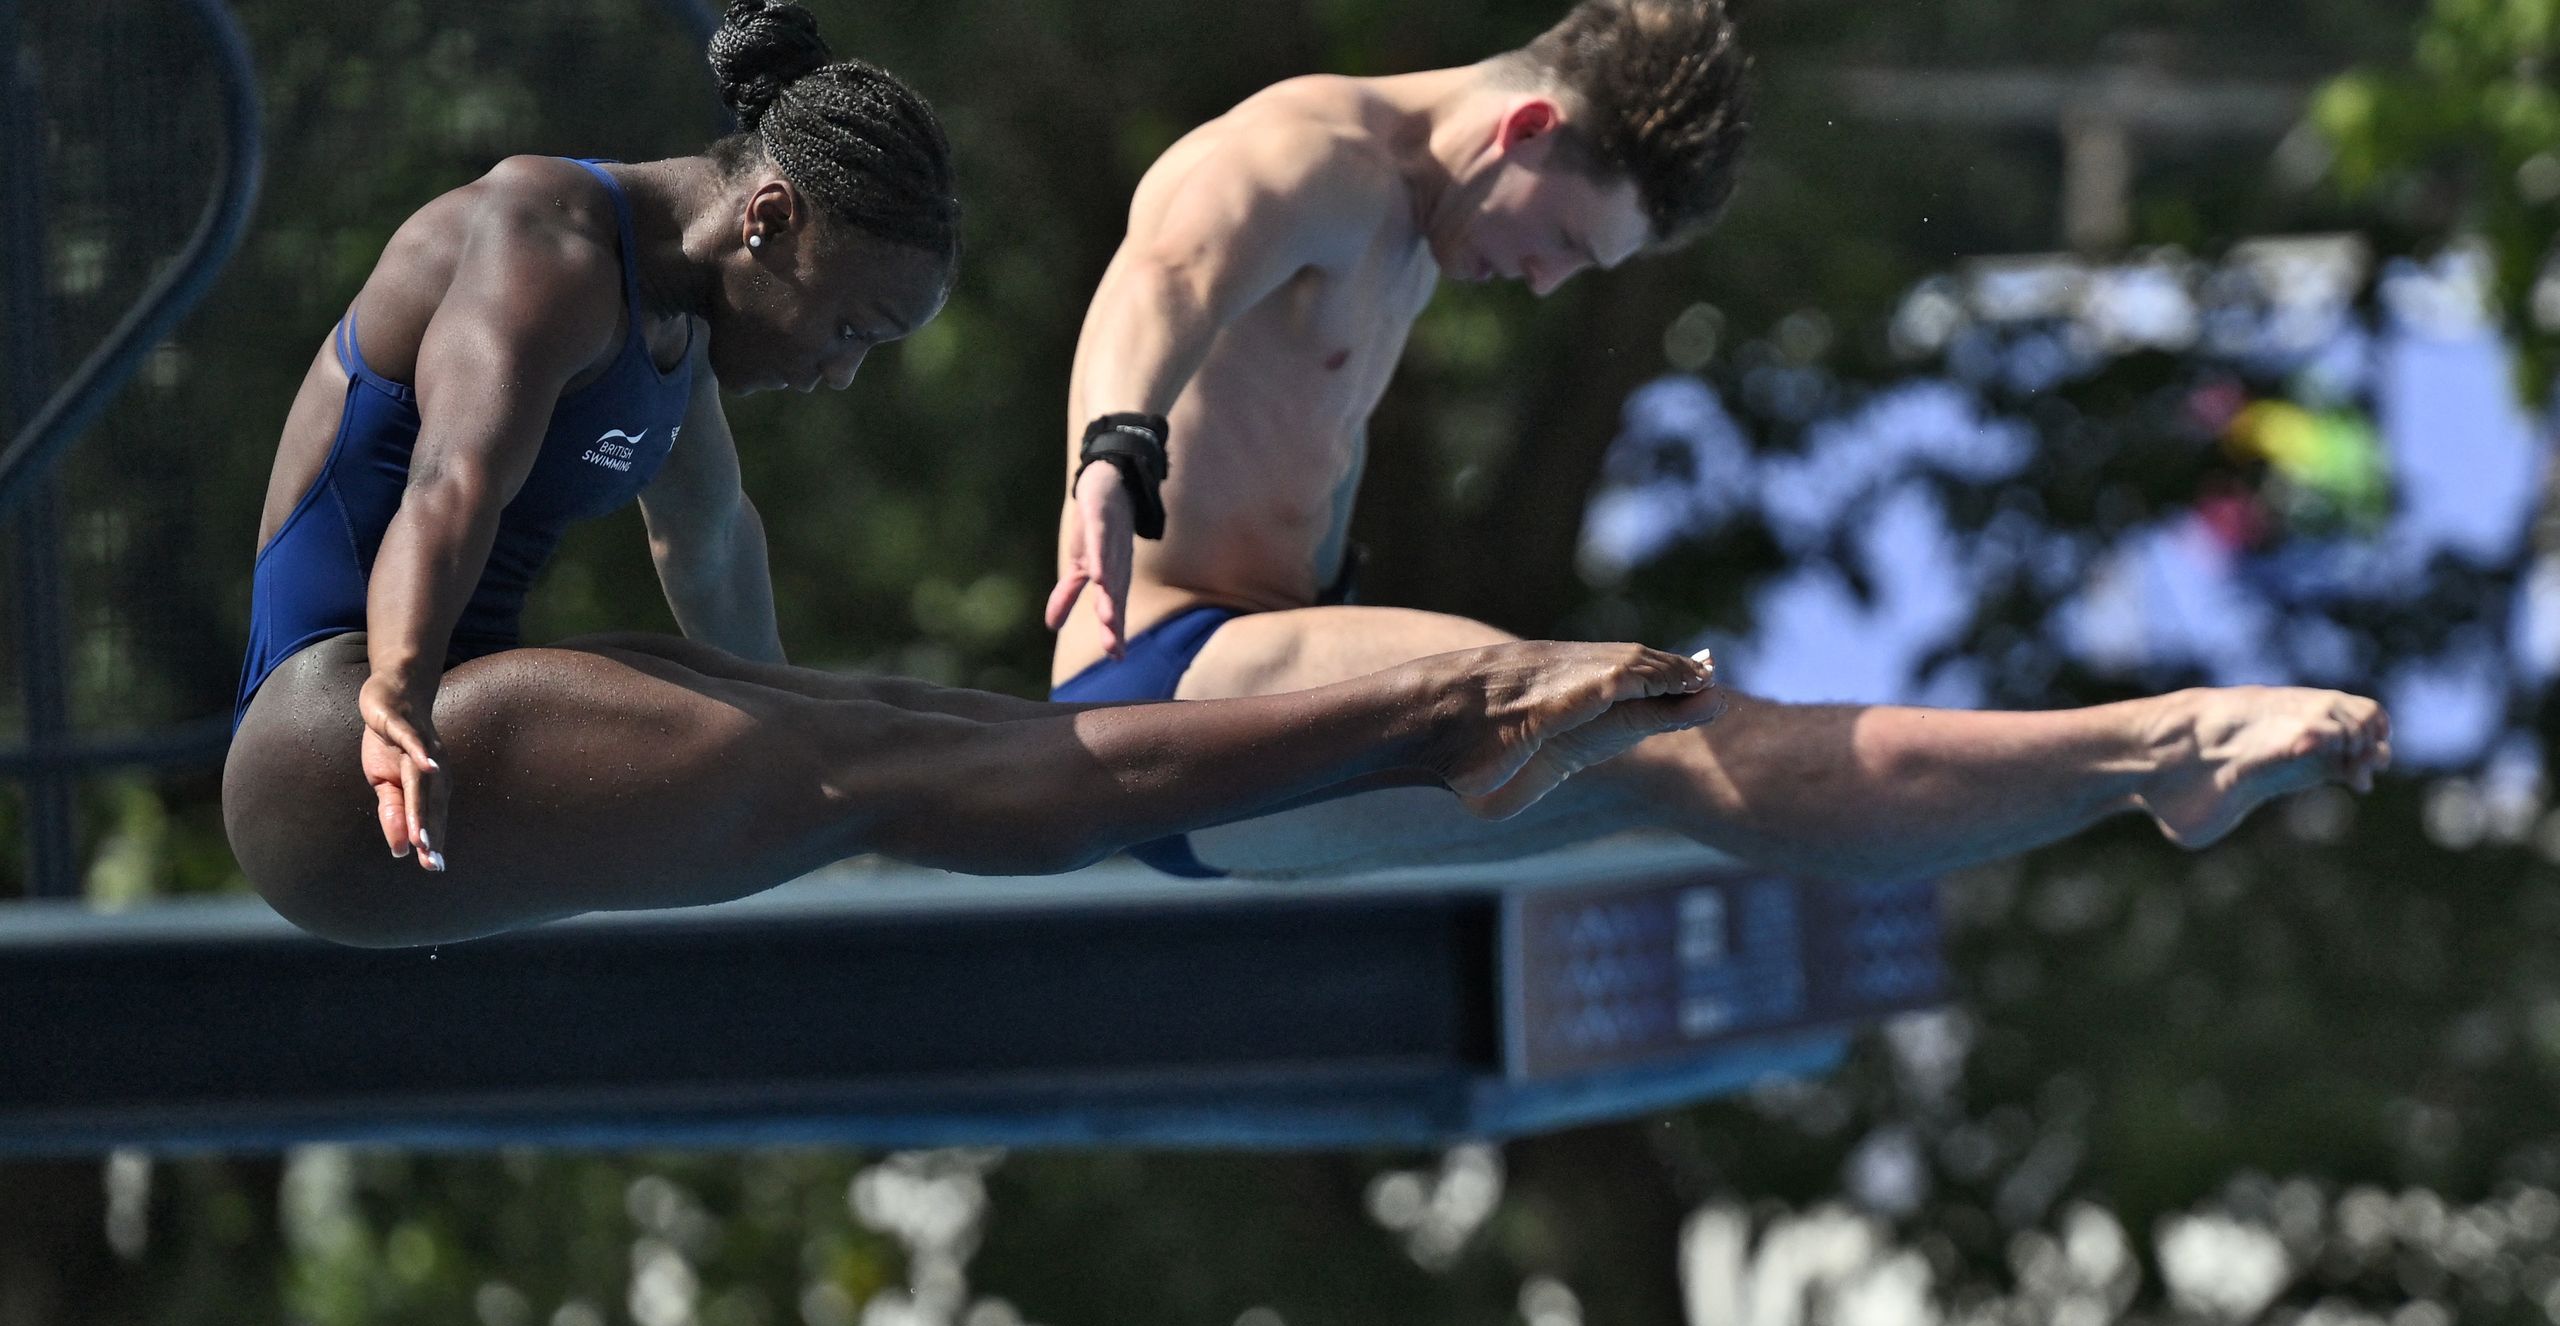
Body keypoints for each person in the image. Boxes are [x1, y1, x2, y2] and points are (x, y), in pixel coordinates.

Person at [221, 0, 1724, 948]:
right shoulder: (543, 241)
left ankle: (1427, 731)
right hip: (336, 750)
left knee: (903, 724)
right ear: (770, 221)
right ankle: (1442, 717)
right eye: (850, 327)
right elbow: (452, 488)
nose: (839, 371)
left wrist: (773, 751)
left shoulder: (674, 321)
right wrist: (400, 700)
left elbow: (716, 547)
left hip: (450, 724)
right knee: (896, 773)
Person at [1044, 0, 2392, 881]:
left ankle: (2134, 777)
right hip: (1160, 680)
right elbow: (1163, 273)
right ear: (1526, 129)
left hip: (1233, 713)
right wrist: (1114, 449)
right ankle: (2153, 748)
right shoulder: (1307, 157)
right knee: (1671, 734)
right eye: (1567, 238)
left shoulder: (1420, 223)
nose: (1547, 279)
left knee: (1695, 775)